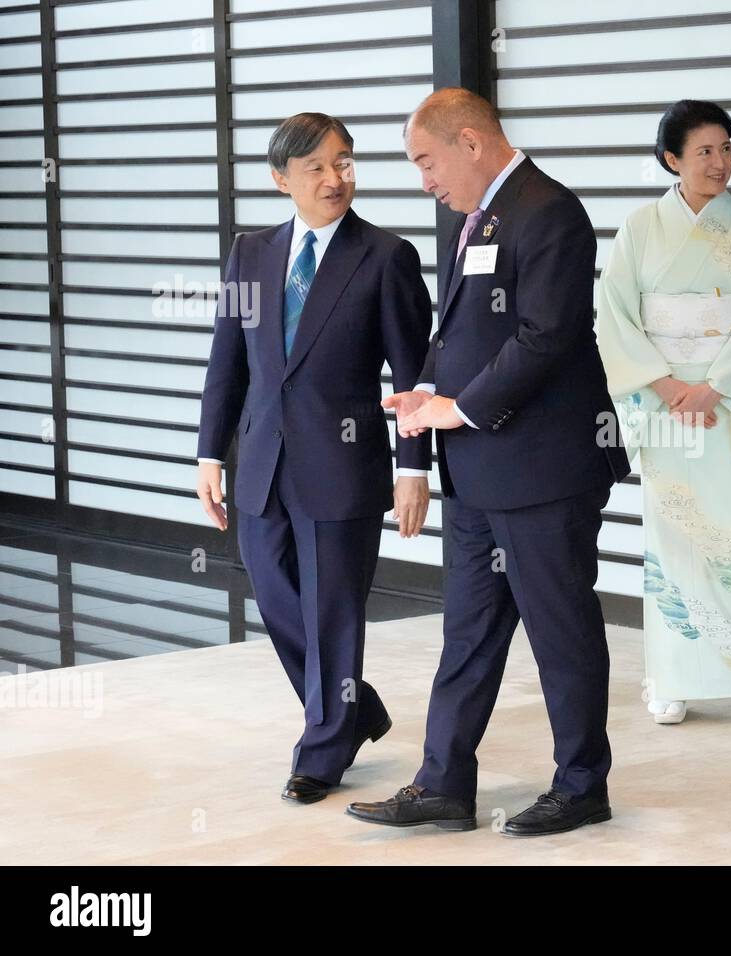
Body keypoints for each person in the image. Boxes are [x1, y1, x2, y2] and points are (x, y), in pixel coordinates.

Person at [346, 89, 630, 836]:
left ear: (470, 143)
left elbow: (546, 336)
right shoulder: (483, 217)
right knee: (467, 631)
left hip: (541, 471)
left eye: (426, 162)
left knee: (560, 629)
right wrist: (430, 392)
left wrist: (461, 409)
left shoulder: (550, 211)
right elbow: (462, 332)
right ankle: (443, 783)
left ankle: (581, 785)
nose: (424, 180)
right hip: (476, 471)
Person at [196, 112, 433, 804]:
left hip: (344, 469)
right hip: (261, 464)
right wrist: (210, 454)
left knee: (333, 613)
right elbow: (226, 361)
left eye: (345, 163)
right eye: (318, 168)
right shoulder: (250, 254)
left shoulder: (386, 256)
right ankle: (352, 706)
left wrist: (412, 466)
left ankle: (322, 748)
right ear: (281, 180)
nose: (335, 179)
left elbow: (413, 376)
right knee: (276, 599)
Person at [596, 99, 731, 727]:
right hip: (663, 407)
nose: (721, 162)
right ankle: (670, 673)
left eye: (728, 149)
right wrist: (666, 386)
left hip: (727, 407)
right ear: (671, 159)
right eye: (705, 151)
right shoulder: (640, 229)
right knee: (674, 540)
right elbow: (615, 317)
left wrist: (714, 386)